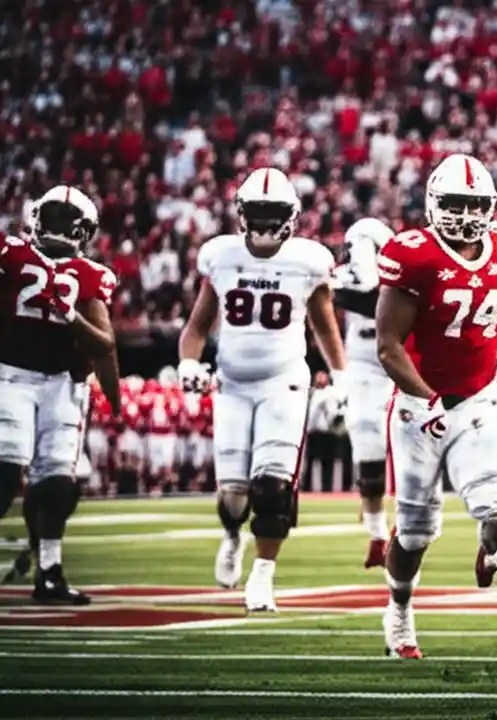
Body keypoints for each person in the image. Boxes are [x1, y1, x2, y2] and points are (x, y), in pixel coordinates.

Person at [374, 153, 497, 659]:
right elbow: (388, 345)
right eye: (455, 204)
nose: (466, 216)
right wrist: (426, 400)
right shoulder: (414, 255)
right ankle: (399, 606)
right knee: (417, 531)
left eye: (474, 205)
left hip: (479, 399)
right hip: (418, 406)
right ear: (433, 205)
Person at [177, 167, 348, 612]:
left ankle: (262, 576)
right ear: (241, 214)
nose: (266, 221)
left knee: (272, 487)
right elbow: (198, 323)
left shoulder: (307, 261)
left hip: (283, 382)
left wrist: (341, 374)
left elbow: (324, 328)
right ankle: (233, 536)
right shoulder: (222, 256)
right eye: (258, 212)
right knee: (233, 496)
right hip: (232, 385)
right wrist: (188, 361)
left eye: (273, 213)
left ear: (292, 216)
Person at [0, 185, 122, 604]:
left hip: (62, 386)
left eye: (66, 221)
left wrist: (68, 315)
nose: (57, 228)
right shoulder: (9, 254)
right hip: (10, 375)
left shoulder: (90, 276)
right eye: (52, 217)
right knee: (4, 473)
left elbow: (103, 344)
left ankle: (49, 572)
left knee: (57, 486)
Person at [332, 218, 397, 567]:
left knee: (410, 441)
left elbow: (372, 294)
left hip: (396, 359)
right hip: (361, 361)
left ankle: (403, 525)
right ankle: (377, 533)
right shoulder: (344, 278)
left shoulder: (401, 276)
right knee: (365, 439)